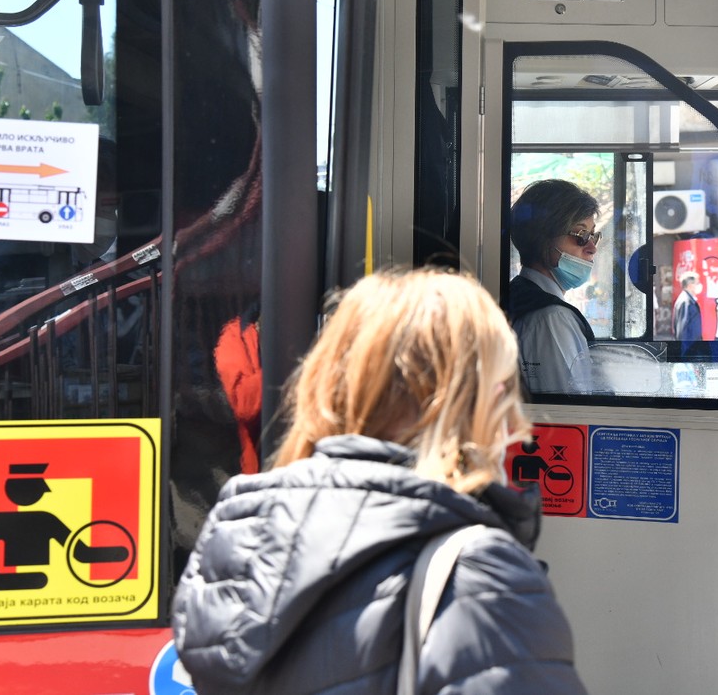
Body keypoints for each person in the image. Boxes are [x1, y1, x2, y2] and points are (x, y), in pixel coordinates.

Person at [172, 269, 586, 695]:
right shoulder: (479, 576)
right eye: (503, 392)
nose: (515, 423)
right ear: (463, 403)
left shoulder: (234, 537)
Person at [507, 179, 601, 394]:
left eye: (593, 235)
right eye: (581, 236)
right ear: (542, 239)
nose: (592, 248)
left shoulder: (520, 294)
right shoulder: (552, 318)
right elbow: (569, 409)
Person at [672, 271, 703, 344]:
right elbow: (682, 330)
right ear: (690, 285)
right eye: (697, 283)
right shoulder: (686, 302)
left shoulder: (688, 300)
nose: (699, 285)